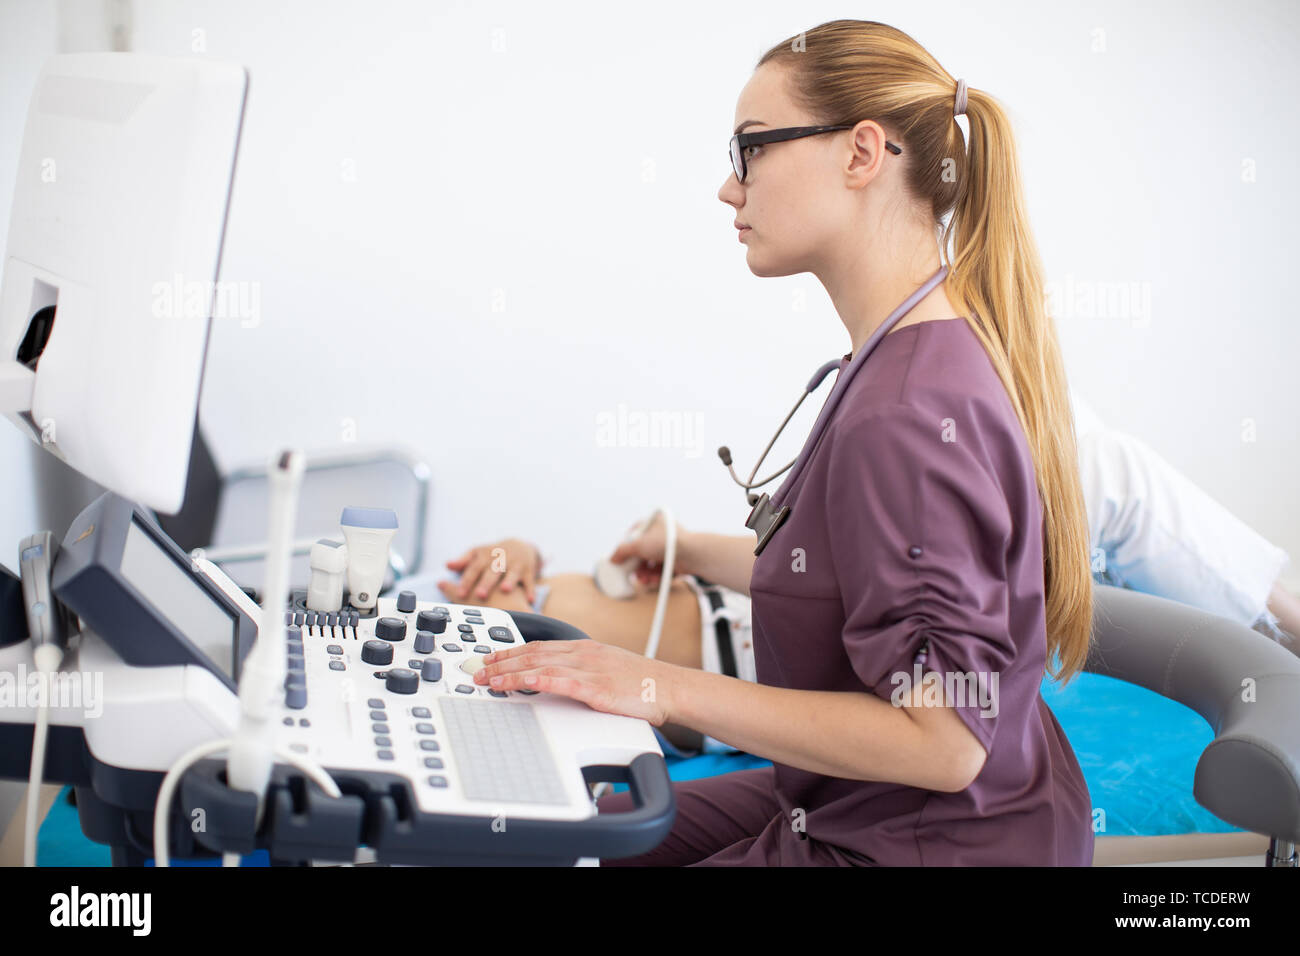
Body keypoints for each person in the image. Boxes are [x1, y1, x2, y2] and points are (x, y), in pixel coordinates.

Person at [459, 19, 1102, 866]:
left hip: (930, 839)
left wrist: (654, 684)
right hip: (875, 799)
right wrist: (688, 550)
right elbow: (847, 565)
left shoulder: (904, 413)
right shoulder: (911, 354)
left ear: (862, 154)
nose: (731, 189)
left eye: (751, 149)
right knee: (562, 832)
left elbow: (947, 742)